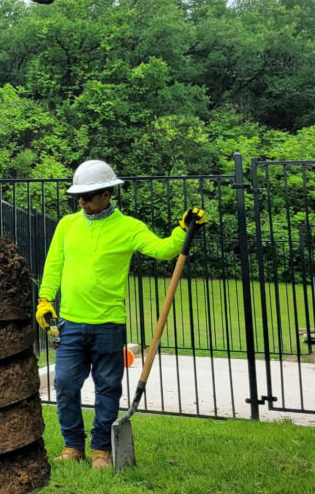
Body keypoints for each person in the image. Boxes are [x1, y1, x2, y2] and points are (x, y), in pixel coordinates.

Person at [36, 159, 206, 470]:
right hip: (70, 323)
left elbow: (163, 249)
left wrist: (182, 230)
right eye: (78, 196)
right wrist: (45, 299)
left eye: (88, 196)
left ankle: (101, 450)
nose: (81, 201)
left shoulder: (129, 227)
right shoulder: (67, 225)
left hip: (108, 324)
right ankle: (72, 446)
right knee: (65, 384)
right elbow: (54, 265)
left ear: (107, 194)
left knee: (108, 388)